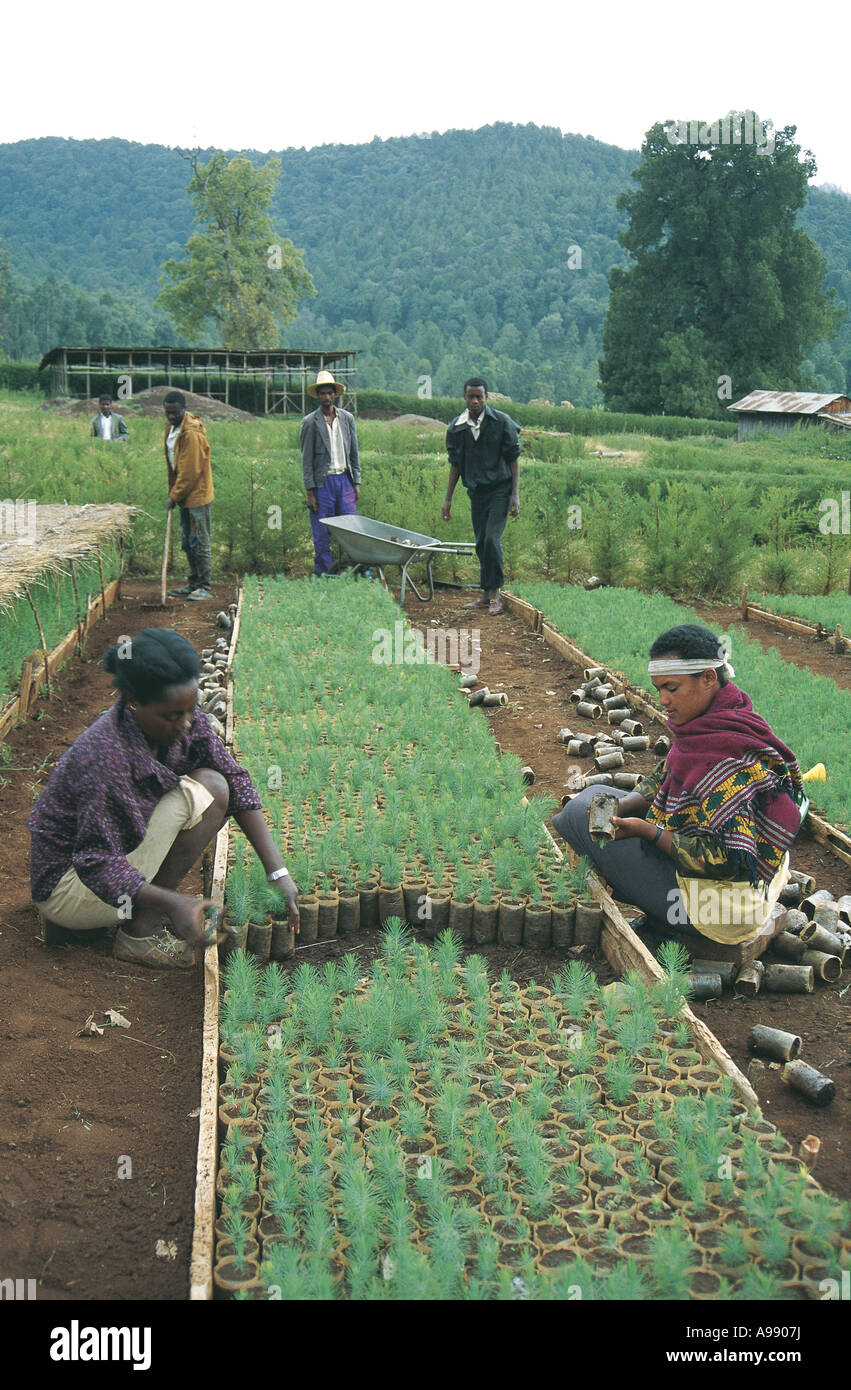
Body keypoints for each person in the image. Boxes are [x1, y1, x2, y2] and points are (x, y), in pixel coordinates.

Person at [28, 629, 299, 970]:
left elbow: (234, 777)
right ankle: (139, 932)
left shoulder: (181, 719)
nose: (187, 724)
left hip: (103, 864)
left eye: (190, 710)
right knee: (207, 792)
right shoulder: (104, 755)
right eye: (172, 715)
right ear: (132, 701)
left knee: (216, 784)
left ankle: (139, 913)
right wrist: (173, 903)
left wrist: (278, 872)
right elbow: (95, 861)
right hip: (69, 887)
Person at [552, 624, 805, 949]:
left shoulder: (720, 760)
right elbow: (665, 777)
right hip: (747, 889)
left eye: (672, 688)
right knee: (590, 802)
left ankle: (669, 925)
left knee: (576, 816)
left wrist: (648, 832)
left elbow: (729, 859)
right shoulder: (723, 720)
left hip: (722, 910)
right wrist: (623, 806)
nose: (664, 700)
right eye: (659, 689)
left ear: (709, 678)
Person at [442, 378, 521, 616]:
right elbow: (455, 465)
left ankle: (496, 594)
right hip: (477, 492)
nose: (475, 401)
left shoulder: (501, 422)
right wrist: (448, 499)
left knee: (490, 539)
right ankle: (485, 595)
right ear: (464, 398)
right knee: (480, 543)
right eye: (470, 397)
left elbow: (513, 459)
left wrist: (515, 494)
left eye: (479, 397)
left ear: (486, 398)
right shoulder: (457, 427)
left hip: (500, 489)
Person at [300, 370, 362, 576]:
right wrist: (310, 492)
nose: (326, 397)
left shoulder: (347, 419)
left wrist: (356, 483)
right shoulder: (310, 422)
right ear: (317, 396)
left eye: (329, 393)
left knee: (351, 529)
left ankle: (358, 571)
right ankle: (326, 574)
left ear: (335, 394)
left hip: (344, 480)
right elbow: (306, 459)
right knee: (321, 532)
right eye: (322, 393)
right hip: (322, 483)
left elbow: (354, 452)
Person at [163, 390, 214, 600]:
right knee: (187, 541)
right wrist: (176, 494)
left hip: (197, 496)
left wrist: (174, 495)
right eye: (168, 412)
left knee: (199, 541)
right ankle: (193, 583)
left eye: (175, 412)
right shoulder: (172, 428)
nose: (171, 416)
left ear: (184, 410)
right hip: (184, 495)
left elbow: (190, 471)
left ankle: (204, 586)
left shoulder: (191, 433)